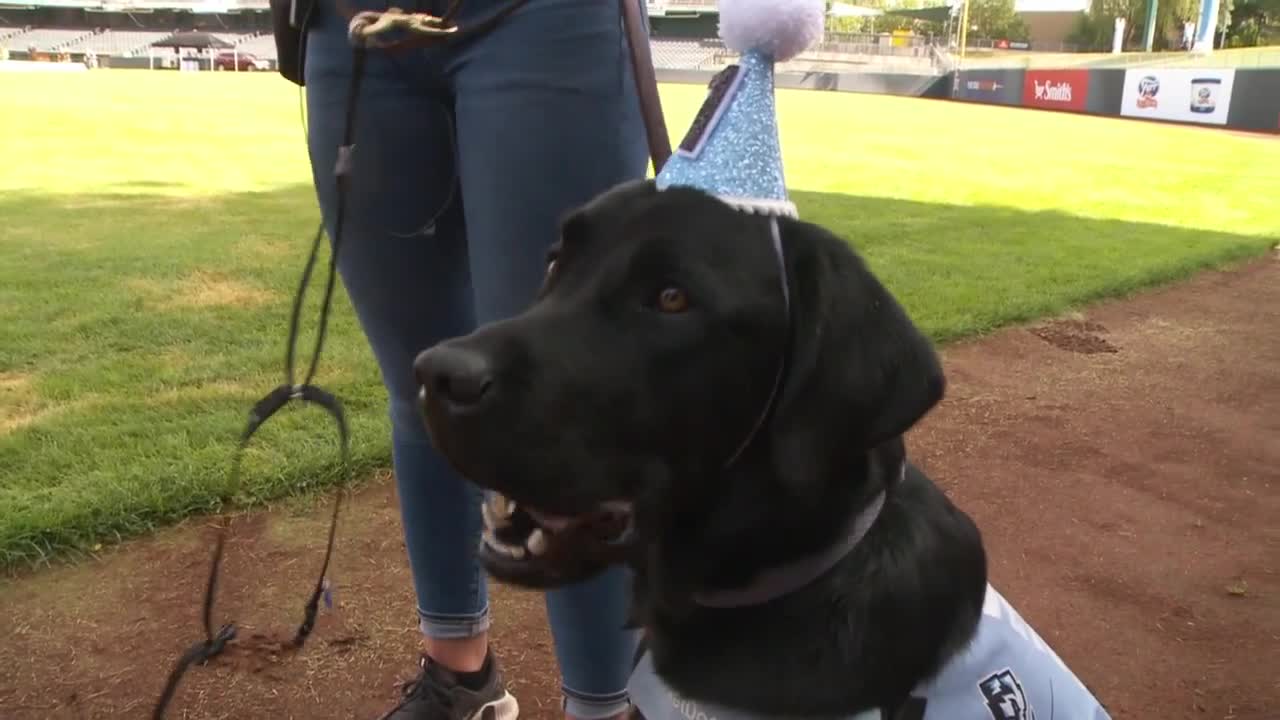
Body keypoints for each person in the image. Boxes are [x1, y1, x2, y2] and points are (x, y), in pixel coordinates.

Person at [300, 1, 650, 719]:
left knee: (561, 403)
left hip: (545, 19)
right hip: (348, 24)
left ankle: (606, 708)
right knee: (423, 388)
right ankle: (460, 682)